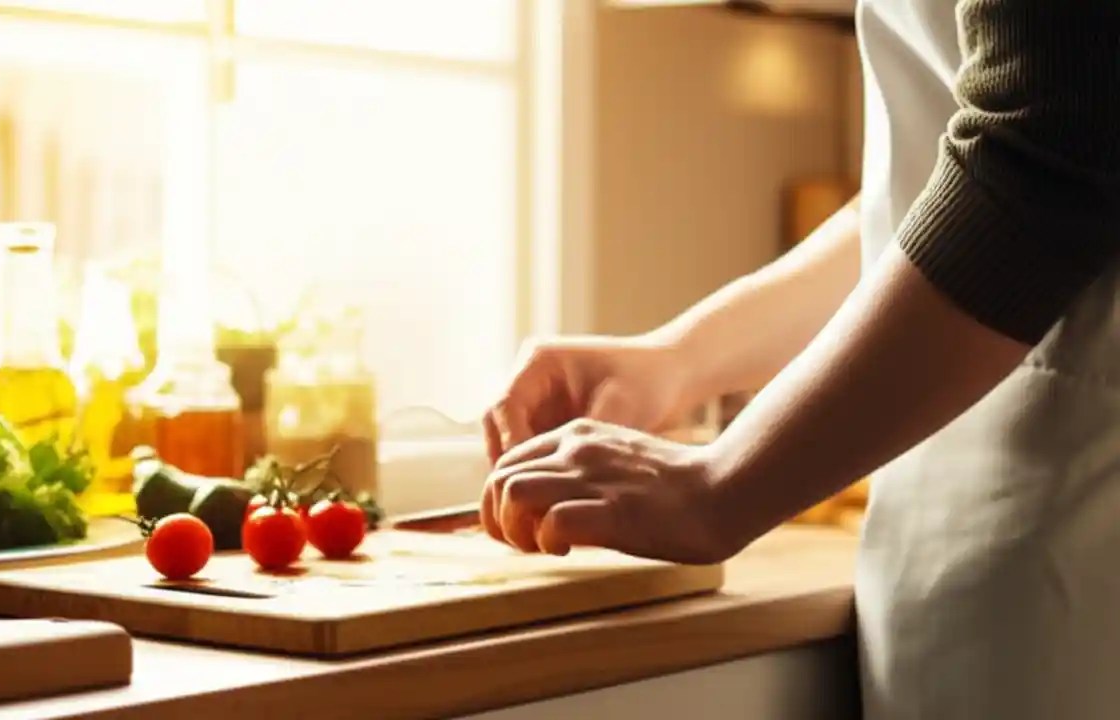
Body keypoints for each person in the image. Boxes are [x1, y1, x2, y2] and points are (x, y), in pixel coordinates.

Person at [478, 1, 1120, 718]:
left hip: (1075, 562)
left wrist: (722, 483)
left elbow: (1057, 145)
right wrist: (678, 360)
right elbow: (932, 204)